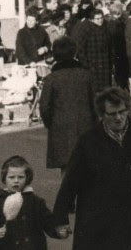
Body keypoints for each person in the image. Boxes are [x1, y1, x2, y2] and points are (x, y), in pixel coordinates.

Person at [52, 87, 131, 249]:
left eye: (122, 112)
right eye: (112, 114)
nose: (118, 117)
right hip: (100, 219)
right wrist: (60, 218)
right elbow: (70, 181)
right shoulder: (88, 141)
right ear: (102, 114)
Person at [0, 155, 66, 249]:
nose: (16, 181)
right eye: (11, 177)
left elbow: (48, 223)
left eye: (20, 177)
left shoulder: (36, 203)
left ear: (27, 178)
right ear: (4, 179)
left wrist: (58, 231)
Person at [39, 37, 97, 172]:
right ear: (74, 53)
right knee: (87, 169)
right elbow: (96, 103)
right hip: (86, 126)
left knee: (66, 170)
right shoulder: (87, 75)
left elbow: (44, 107)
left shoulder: (51, 79)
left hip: (60, 128)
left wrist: (51, 124)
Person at [73, 9, 112, 92]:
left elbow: (110, 46)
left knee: (105, 88)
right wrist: (85, 63)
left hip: (104, 62)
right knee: (94, 88)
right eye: (97, 19)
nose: (100, 20)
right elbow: (81, 48)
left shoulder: (106, 29)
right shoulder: (86, 30)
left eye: (101, 18)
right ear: (92, 20)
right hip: (92, 63)